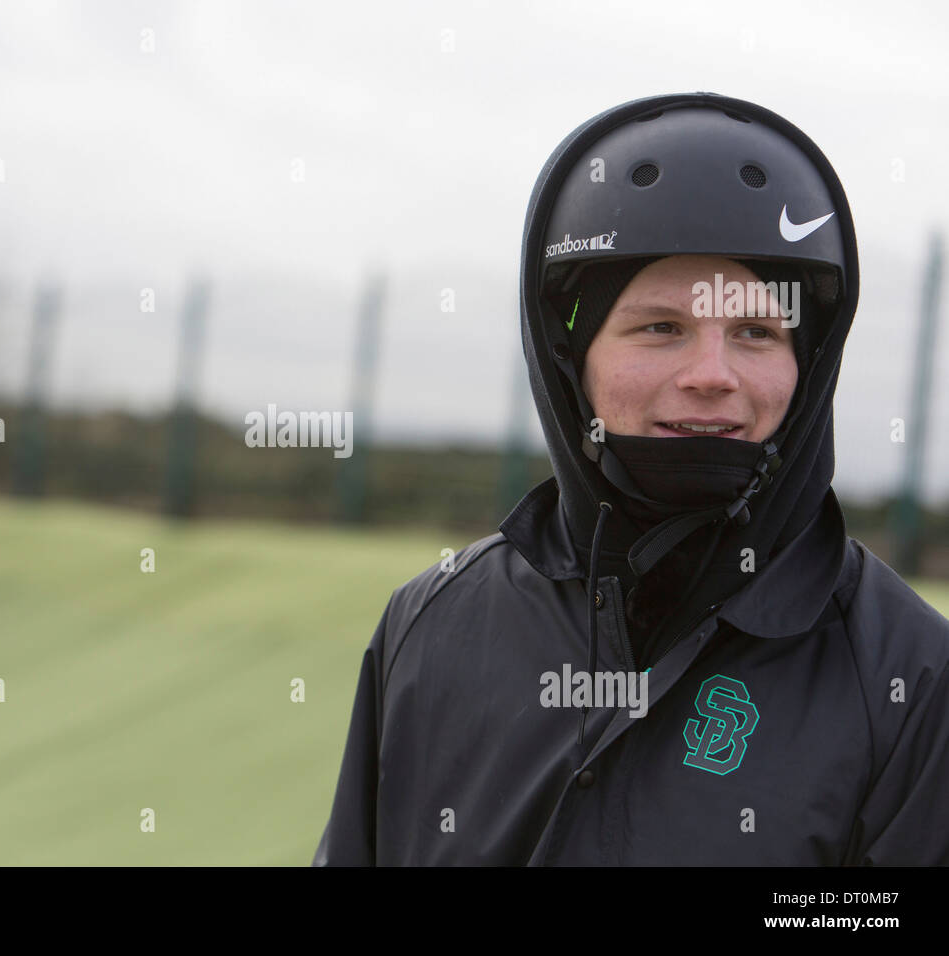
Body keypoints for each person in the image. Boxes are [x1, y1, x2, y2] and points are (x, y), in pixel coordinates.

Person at [311, 92, 949, 865]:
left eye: (756, 331)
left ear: (808, 367)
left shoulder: (910, 676)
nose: (711, 375)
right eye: (660, 327)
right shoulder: (432, 622)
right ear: (569, 360)